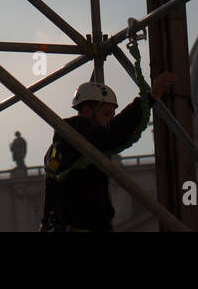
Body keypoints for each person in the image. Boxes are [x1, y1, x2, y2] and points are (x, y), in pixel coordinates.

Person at [39, 71, 177, 232]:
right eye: (106, 114)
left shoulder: (62, 145)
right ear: (87, 111)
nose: (110, 119)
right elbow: (112, 133)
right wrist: (150, 97)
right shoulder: (76, 136)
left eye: (112, 114)